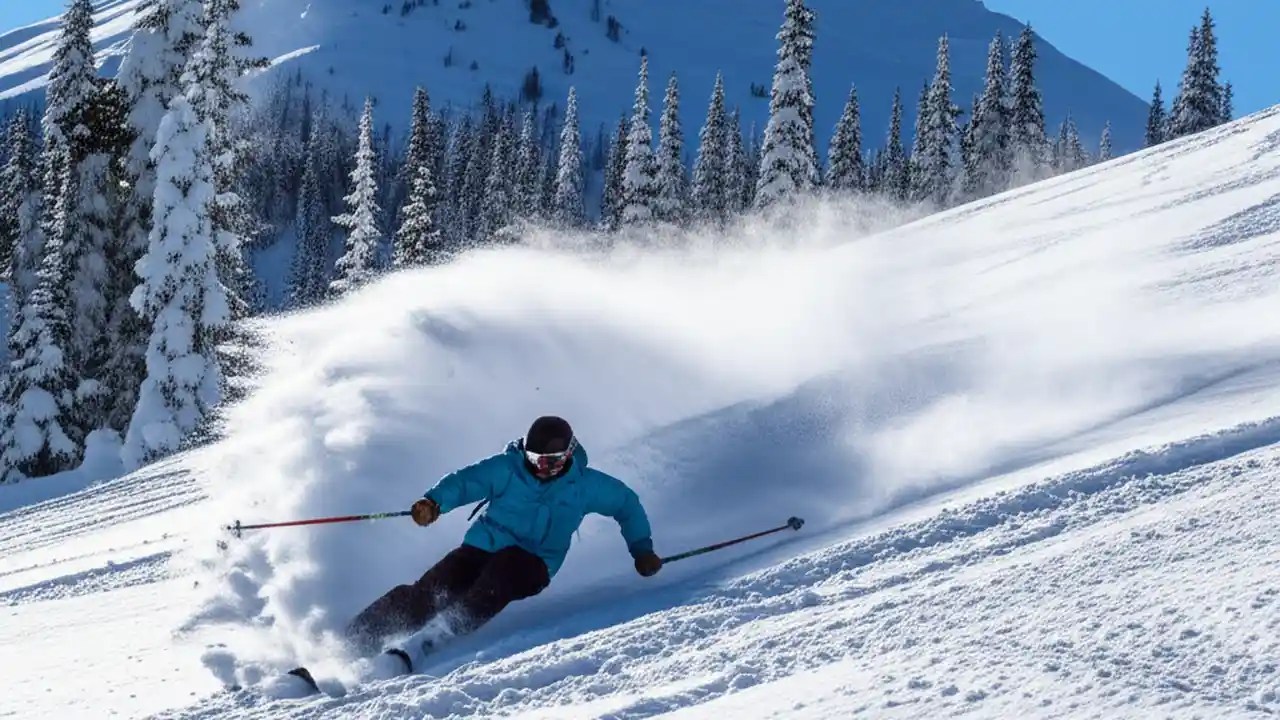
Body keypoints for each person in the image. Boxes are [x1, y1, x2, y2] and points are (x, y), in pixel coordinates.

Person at [345, 416, 662, 657]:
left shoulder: (586, 486)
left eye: (550, 462)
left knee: (502, 572)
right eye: (535, 459)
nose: (541, 468)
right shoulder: (508, 468)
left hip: (535, 563)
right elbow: (467, 481)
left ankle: (435, 638)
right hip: (482, 548)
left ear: (568, 455)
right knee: (434, 588)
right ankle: (353, 642)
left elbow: (627, 505)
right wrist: (434, 502)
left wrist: (641, 550)